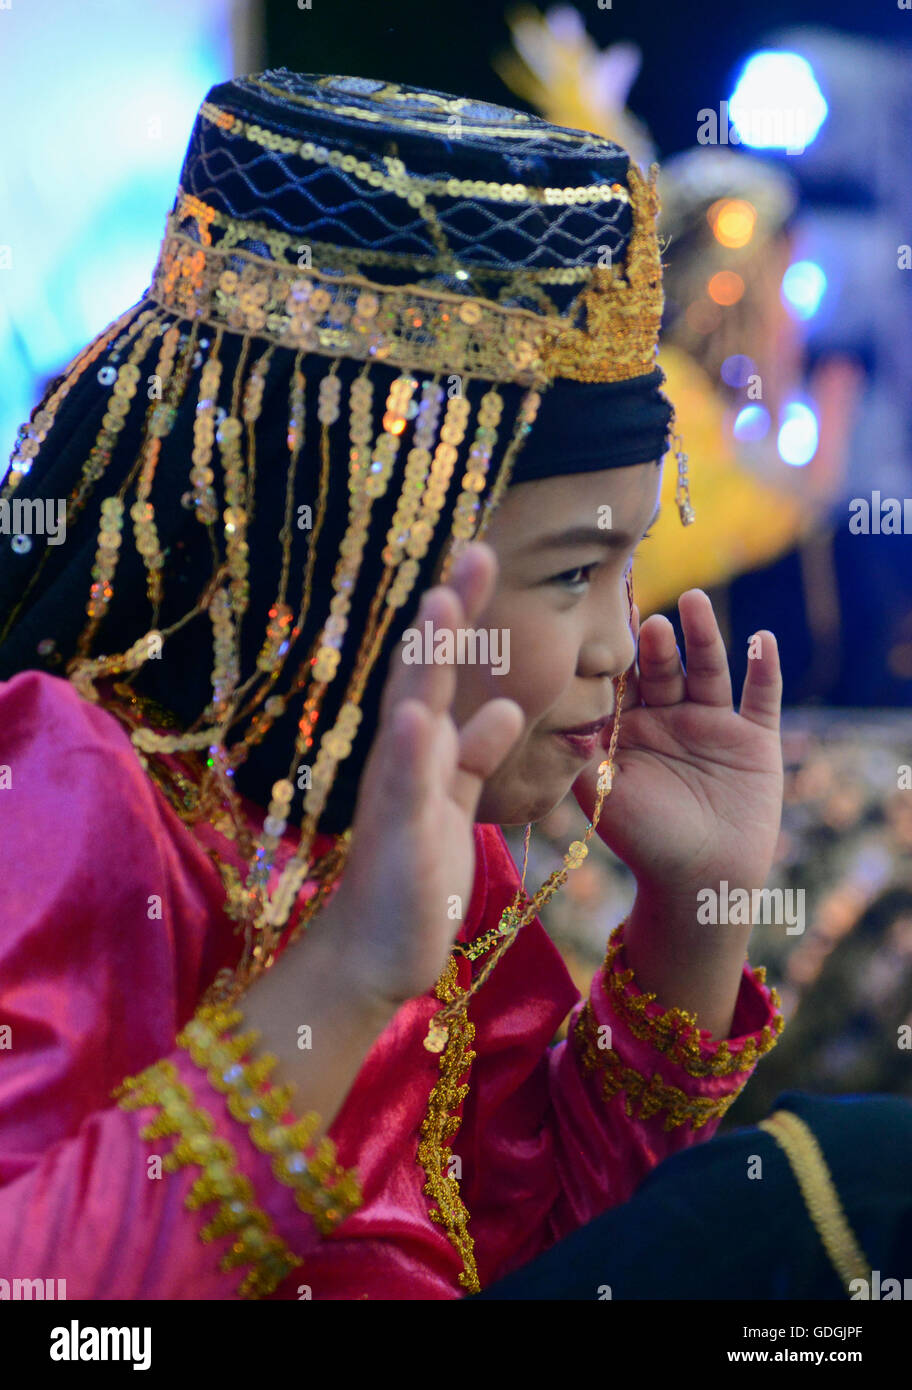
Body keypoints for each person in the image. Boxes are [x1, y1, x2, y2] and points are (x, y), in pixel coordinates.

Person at [0, 70, 786, 1300]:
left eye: (628, 565)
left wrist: (696, 908)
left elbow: (543, 1250)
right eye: (572, 572)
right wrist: (347, 976)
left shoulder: (427, 842)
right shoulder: (76, 789)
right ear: (354, 563)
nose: (617, 643)